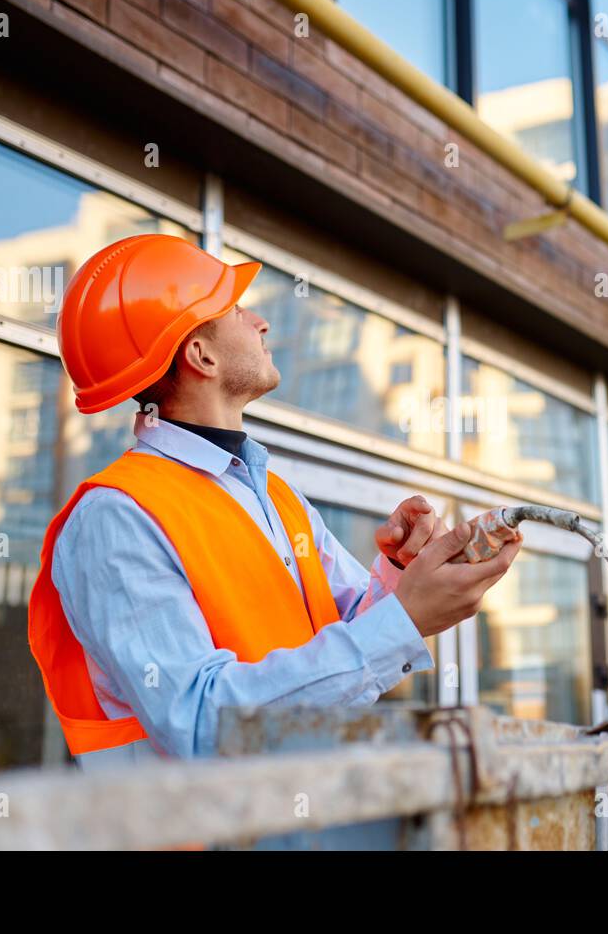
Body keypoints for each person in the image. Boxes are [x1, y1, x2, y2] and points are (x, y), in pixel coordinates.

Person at [28, 234, 522, 767]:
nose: (261, 321)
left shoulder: (272, 494)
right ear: (201, 355)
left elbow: (347, 640)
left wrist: (405, 574)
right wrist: (404, 619)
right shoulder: (116, 517)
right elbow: (201, 721)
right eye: (237, 310)